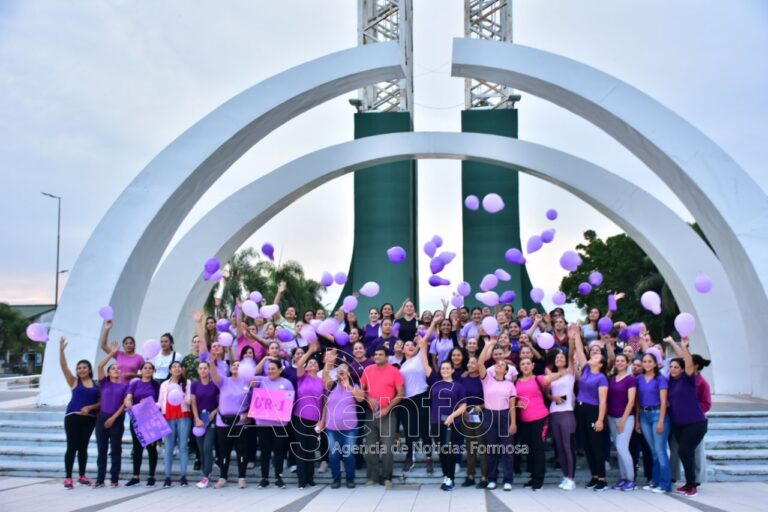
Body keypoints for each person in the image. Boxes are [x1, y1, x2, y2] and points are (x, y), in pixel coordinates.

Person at [665, 337, 708, 497]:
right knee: (684, 453)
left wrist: (683, 347)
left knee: (685, 451)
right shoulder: (671, 381)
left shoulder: (689, 380)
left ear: (684, 370)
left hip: (695, 423)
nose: (673, 369)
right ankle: (688, 483)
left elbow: (687, 362)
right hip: (679, 424)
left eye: (677, 367)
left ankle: (692, 485)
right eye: (671, 367)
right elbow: (681, 361)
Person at [571, 322, 610, 491]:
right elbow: (580, 351)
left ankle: (602, 478)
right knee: (586, 444)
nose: (592, 357)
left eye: (596, 357)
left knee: (596, 445)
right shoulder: (586, 369)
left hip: (594, 411)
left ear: (601, 363)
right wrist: (576, 335)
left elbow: (603, 401)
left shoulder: (602, 378)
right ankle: (594, 476)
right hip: (581, 409)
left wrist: (600, 419)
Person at [515, 357, 563, 490]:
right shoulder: (517, 382)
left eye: (527, 363)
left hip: (540, 418)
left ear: (532, 366)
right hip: (524, 420)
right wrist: (518, 403)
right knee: (529, 449)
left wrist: (559, 371)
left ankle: (539, 479)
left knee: (538, 449)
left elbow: (555, 376)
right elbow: (515, 400)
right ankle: (533, 476)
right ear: (520, 367)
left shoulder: (539, 379)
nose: (525, 366)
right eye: (523, 364)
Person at [360, 346, 404, 488]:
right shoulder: (367, 370)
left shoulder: (394, 371)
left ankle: (387, 477)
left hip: (388, 414)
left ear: (386, 357)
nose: (377, 356)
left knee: (386, 447)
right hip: (370, 414)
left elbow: (401, 393)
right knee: (370, 447)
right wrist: (368, 398)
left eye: (380, 354)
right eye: (375, 354)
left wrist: (387, 408)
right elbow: (362, 392)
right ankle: (373, 477)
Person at [60, 337, 100, 489]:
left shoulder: (97, 385)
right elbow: (64, 367)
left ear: (89, 369)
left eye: (84, 367)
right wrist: (61, 351)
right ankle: (68, 477)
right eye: (79, 368)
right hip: (72, 417)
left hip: (89, 419)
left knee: (83, 447)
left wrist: (90, 407)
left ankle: (82, 475)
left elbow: (100, 402)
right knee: (72, 446)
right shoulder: (74, 382)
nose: (81, 370)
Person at [477, 339, 517, 491]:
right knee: (492, 449)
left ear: (506, 371)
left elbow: (513, 405)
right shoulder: (487, 380)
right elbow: (480, 364)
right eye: (498, 364)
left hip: (505, 416)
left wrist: (513, 423)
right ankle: (492, 478)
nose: (500, 364)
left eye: (503, 365)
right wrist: (488, 345)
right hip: (489, 416)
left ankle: (508, 480)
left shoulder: (510, 385)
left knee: (507, 450)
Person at [321, 349, 365, 488]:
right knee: (334, 455)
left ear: (349, 373)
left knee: (349, 455)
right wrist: (329, 362)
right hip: (332, 428)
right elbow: (325, 377)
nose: (342, 374)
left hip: (350, 428)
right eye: (340, 372)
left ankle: (350, 479)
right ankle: (336, 479)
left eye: (344, 371)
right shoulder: (331, 385)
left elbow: (360, 398)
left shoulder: (355, 386)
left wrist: (348, 385)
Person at [209, 359, 255, 489]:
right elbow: (213, 373)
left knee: (242, 451)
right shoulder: (224, 381)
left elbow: (256, 401)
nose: (235, 366)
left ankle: (242, 477)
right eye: (233, 365)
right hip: (223, 422)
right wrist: (211, 359)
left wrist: (249, 413)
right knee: (224, 452)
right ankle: (223, 477)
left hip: (240, 422)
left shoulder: (248, 383)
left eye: (238, 365)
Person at [399, 323, 438, 474]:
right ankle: (409, 457)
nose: (409, 346)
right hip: (407, 400)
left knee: (424, 430)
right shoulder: (401, 366)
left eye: (412, 344)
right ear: (402, 349)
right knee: (410, 431)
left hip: (422, 396)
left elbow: (424, 339)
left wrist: (433, 323)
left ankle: (429, 458)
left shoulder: (420, 358)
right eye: (406, 345)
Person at [252, 358, 295, 489]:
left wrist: (283, 415)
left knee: (279, 451)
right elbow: (249, 376)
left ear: (280, 370)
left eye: (273, 369)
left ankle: (278, 478)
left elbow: (290, 401)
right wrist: (265, 358)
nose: (270, 371)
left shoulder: (287, 383)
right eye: (268, 369)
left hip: (279, 424)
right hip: (263, 423)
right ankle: (264, 478)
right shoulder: (261, 381)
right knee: (265, 451)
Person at [635, 351, 671, 493]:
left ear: (656, 363)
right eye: (645, 361)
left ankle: (665, 484)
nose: (647, 364)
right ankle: (655, 482)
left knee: (660, 450)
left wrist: (661, 421)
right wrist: (637, 420)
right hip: (644, 415)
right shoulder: (639, 379)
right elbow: (637, 401)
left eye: (650, 361)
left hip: (658, 415)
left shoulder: (660, 379)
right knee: (653, 451)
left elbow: (663, 402)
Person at [429, 361, 467, 491]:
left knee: (450, 451)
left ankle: (451, 479)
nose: (444, 370)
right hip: (435, 422)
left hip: (451, 423)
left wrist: (452, 416)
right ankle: (446, 476)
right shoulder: (435, 385)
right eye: (442, 368)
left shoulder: (458, 386)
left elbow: (463, 406)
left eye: (447, 368)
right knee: (441, 452)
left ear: (452, 370)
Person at [95, 345, 128, 487]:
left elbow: (124, 404)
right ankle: (100, 479)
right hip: (102, 417)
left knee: (115, 448)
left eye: (118, 368)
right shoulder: (105, 382)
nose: (116, 370)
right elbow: (100, 366)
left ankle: (114, 478)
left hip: (117, 418)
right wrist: (111, 354)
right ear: (109, 372)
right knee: (102, 449)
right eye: (113, 368)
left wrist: (113, 418)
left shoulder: (124, 386)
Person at [292, 343, 324, 488]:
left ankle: (310, 478)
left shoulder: (322, 382)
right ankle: (301, 480)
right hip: (299, 418)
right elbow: (299, 363)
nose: (312, 364)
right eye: (309, 362)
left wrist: (322, 421)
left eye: (314, 362)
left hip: (315, 420)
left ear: (318, 368)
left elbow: (325, 404)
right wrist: (310, 350)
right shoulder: (302, 377)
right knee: (301, 450)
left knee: (311, 450)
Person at [124, 362, 161, 487]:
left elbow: (160, 402)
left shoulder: (156, 385)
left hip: (151, 419)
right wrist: (128, 402)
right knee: (137, 448)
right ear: (141, 370)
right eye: (145, 368)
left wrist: (148, 402)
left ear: (153, 371)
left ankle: (151, 476)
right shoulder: (135, 383)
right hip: (137, 418)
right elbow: (128, 397)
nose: (148, 370)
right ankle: (136, 477)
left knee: (151, 449)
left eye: (150, 368)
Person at [158, 361, 193, 487]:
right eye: (174, 367)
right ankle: (167, 476)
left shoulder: (187, 383)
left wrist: (180, 394)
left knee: (183, 446)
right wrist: (147, 404)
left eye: (179, 367)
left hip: (183, 416)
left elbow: (189, 401)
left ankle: (183, 476)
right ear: (169, 370)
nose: (177, 369)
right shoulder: (164, 384)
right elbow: (160, 402)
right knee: (168, 447)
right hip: (167, 417)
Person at [548, 344, 577, 491]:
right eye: (557, 357)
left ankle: (571, 478)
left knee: (567, 446)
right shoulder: (552, 376)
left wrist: (571, 341)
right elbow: (546, 393)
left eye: (562, 357)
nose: (559, 359)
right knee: (559, 447)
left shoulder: (570, 373)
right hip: (553, 412)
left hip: (566, 412)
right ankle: (565, 476)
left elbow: (571, 355)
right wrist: (554, 397)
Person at [607, 353, 638, 491]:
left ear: (627, 363)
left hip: (625, 418)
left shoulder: (630, 379)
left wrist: (623, 420)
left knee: (622, 447)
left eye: (622, 361)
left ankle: (631, 479)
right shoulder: (612, 379)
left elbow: (631, 401)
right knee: (619, 450)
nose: (619, 363)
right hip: (611, 417)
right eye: (617, 361)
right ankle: (623, 477)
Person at [458, 355, 487, 488]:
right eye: (468, 363)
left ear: (478, 365)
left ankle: (484, 476)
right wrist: (462, 410)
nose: (470, 365)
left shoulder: (484, 380)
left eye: (473, 363)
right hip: (466, 414)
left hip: (480, 413)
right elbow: (458, 396)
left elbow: (491, 396)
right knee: (470, 445)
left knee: (482, 445)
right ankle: (470, 476)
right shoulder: (462, 379)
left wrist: (480, 407)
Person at [190, 361, 219, 488]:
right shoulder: (194, 385)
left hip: (211, 419)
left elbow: (221, 402)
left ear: (209, 370)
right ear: (198, 371)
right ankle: (205, 474)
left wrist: (214, 412)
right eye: (200, 368)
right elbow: (193, 403)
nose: (203, 370)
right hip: (199, 420)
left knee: (207, 447)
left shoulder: (215, 385)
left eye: (205, 368)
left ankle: (207, 476)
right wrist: (196, 418)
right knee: (201, 449)